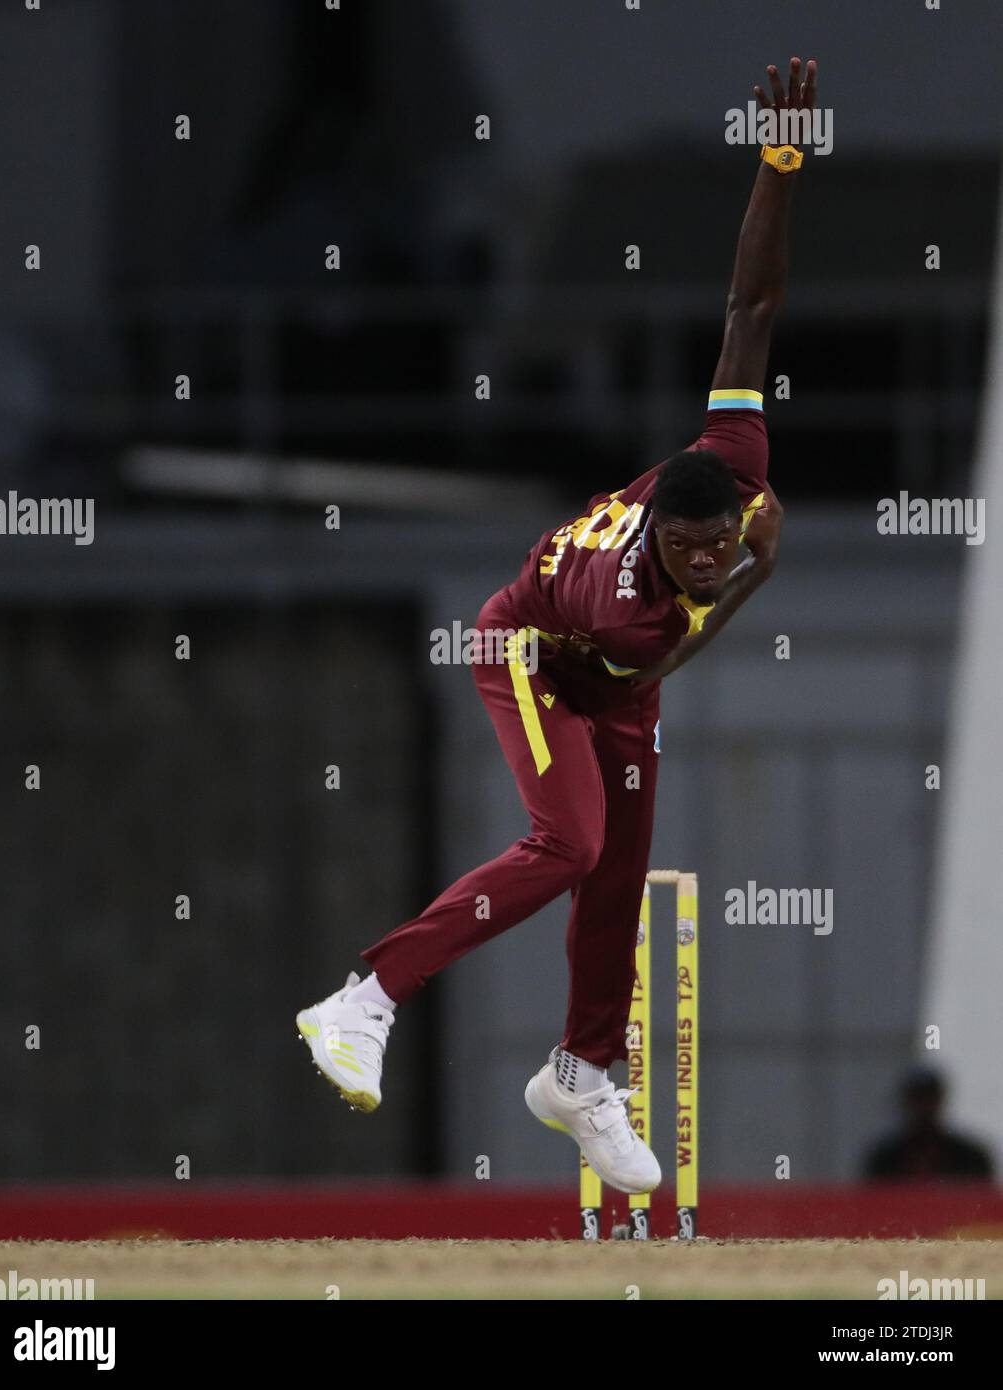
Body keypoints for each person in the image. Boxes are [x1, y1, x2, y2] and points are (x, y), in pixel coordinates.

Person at [296, 56, 816, 1196]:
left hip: (614, 680)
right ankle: (366, 994)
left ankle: (580, 1076)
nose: (706, 558)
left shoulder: (730, 461)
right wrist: (744, 588)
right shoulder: (642, 604)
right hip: (529, 650)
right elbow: (666, 648)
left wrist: (777, 166)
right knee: (569, 843)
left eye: (716, 544)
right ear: (662, 551)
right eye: (690, 555)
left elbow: (752, 307)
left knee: (617, 877)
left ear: (732, 503)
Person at [863, 1067, 995, 1182]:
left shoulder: (971, 1157)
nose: (924, 1107)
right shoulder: (884, 1159)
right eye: (919, 1099)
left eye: (930, 1099)